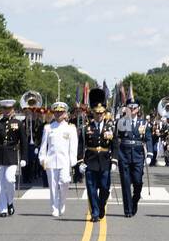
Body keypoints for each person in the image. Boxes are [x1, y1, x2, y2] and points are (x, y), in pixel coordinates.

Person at [77, 91, 115, 221]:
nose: (99, 115)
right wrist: (80, 161)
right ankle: (94, 213)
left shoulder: (111, 127)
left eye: (101, 113)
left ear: (104, 113)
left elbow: (115, 145)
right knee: (91, 188)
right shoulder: (86, 128)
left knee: (105, 187)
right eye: (97, 113)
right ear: (93, 113)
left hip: (105, 161)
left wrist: (114, 161)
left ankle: (101, 205)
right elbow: (81, 145)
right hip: (91, 160)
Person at [40, 103, 79, 218]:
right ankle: (54, 207)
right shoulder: (48, 128)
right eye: (56, 112)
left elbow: (73, 145)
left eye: (61, 112)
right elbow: (44, 145)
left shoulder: (70, 128)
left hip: (64, 161)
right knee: (52, 186)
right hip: (51, 161)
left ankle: (62, 202)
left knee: (64, 183)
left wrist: (73, 159)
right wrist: (42, 158)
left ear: (65, 113)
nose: (58, 114)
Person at [0, 99, 26, 217]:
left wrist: (24, 157)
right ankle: (3, 208)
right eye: (5, 109)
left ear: (13, 109)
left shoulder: (18, 123)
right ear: (2, 110)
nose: (7, 111)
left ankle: (10, 201)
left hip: (11, 155)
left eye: (9, 109)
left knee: (10, 180)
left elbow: (23, 141)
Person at [114, 100, 152, 217]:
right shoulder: (121, 122)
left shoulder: (144, 123)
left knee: (138, 182)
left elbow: (148, 139)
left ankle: (135, 200)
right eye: (130, 107)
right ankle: (128, 210)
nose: (133, 109)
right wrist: (115, 157)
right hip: (124, 154)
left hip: (138, 155)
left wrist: (150, 154)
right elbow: (115, 140)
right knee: (125, 183)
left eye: (135, 107)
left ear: (138, 108)